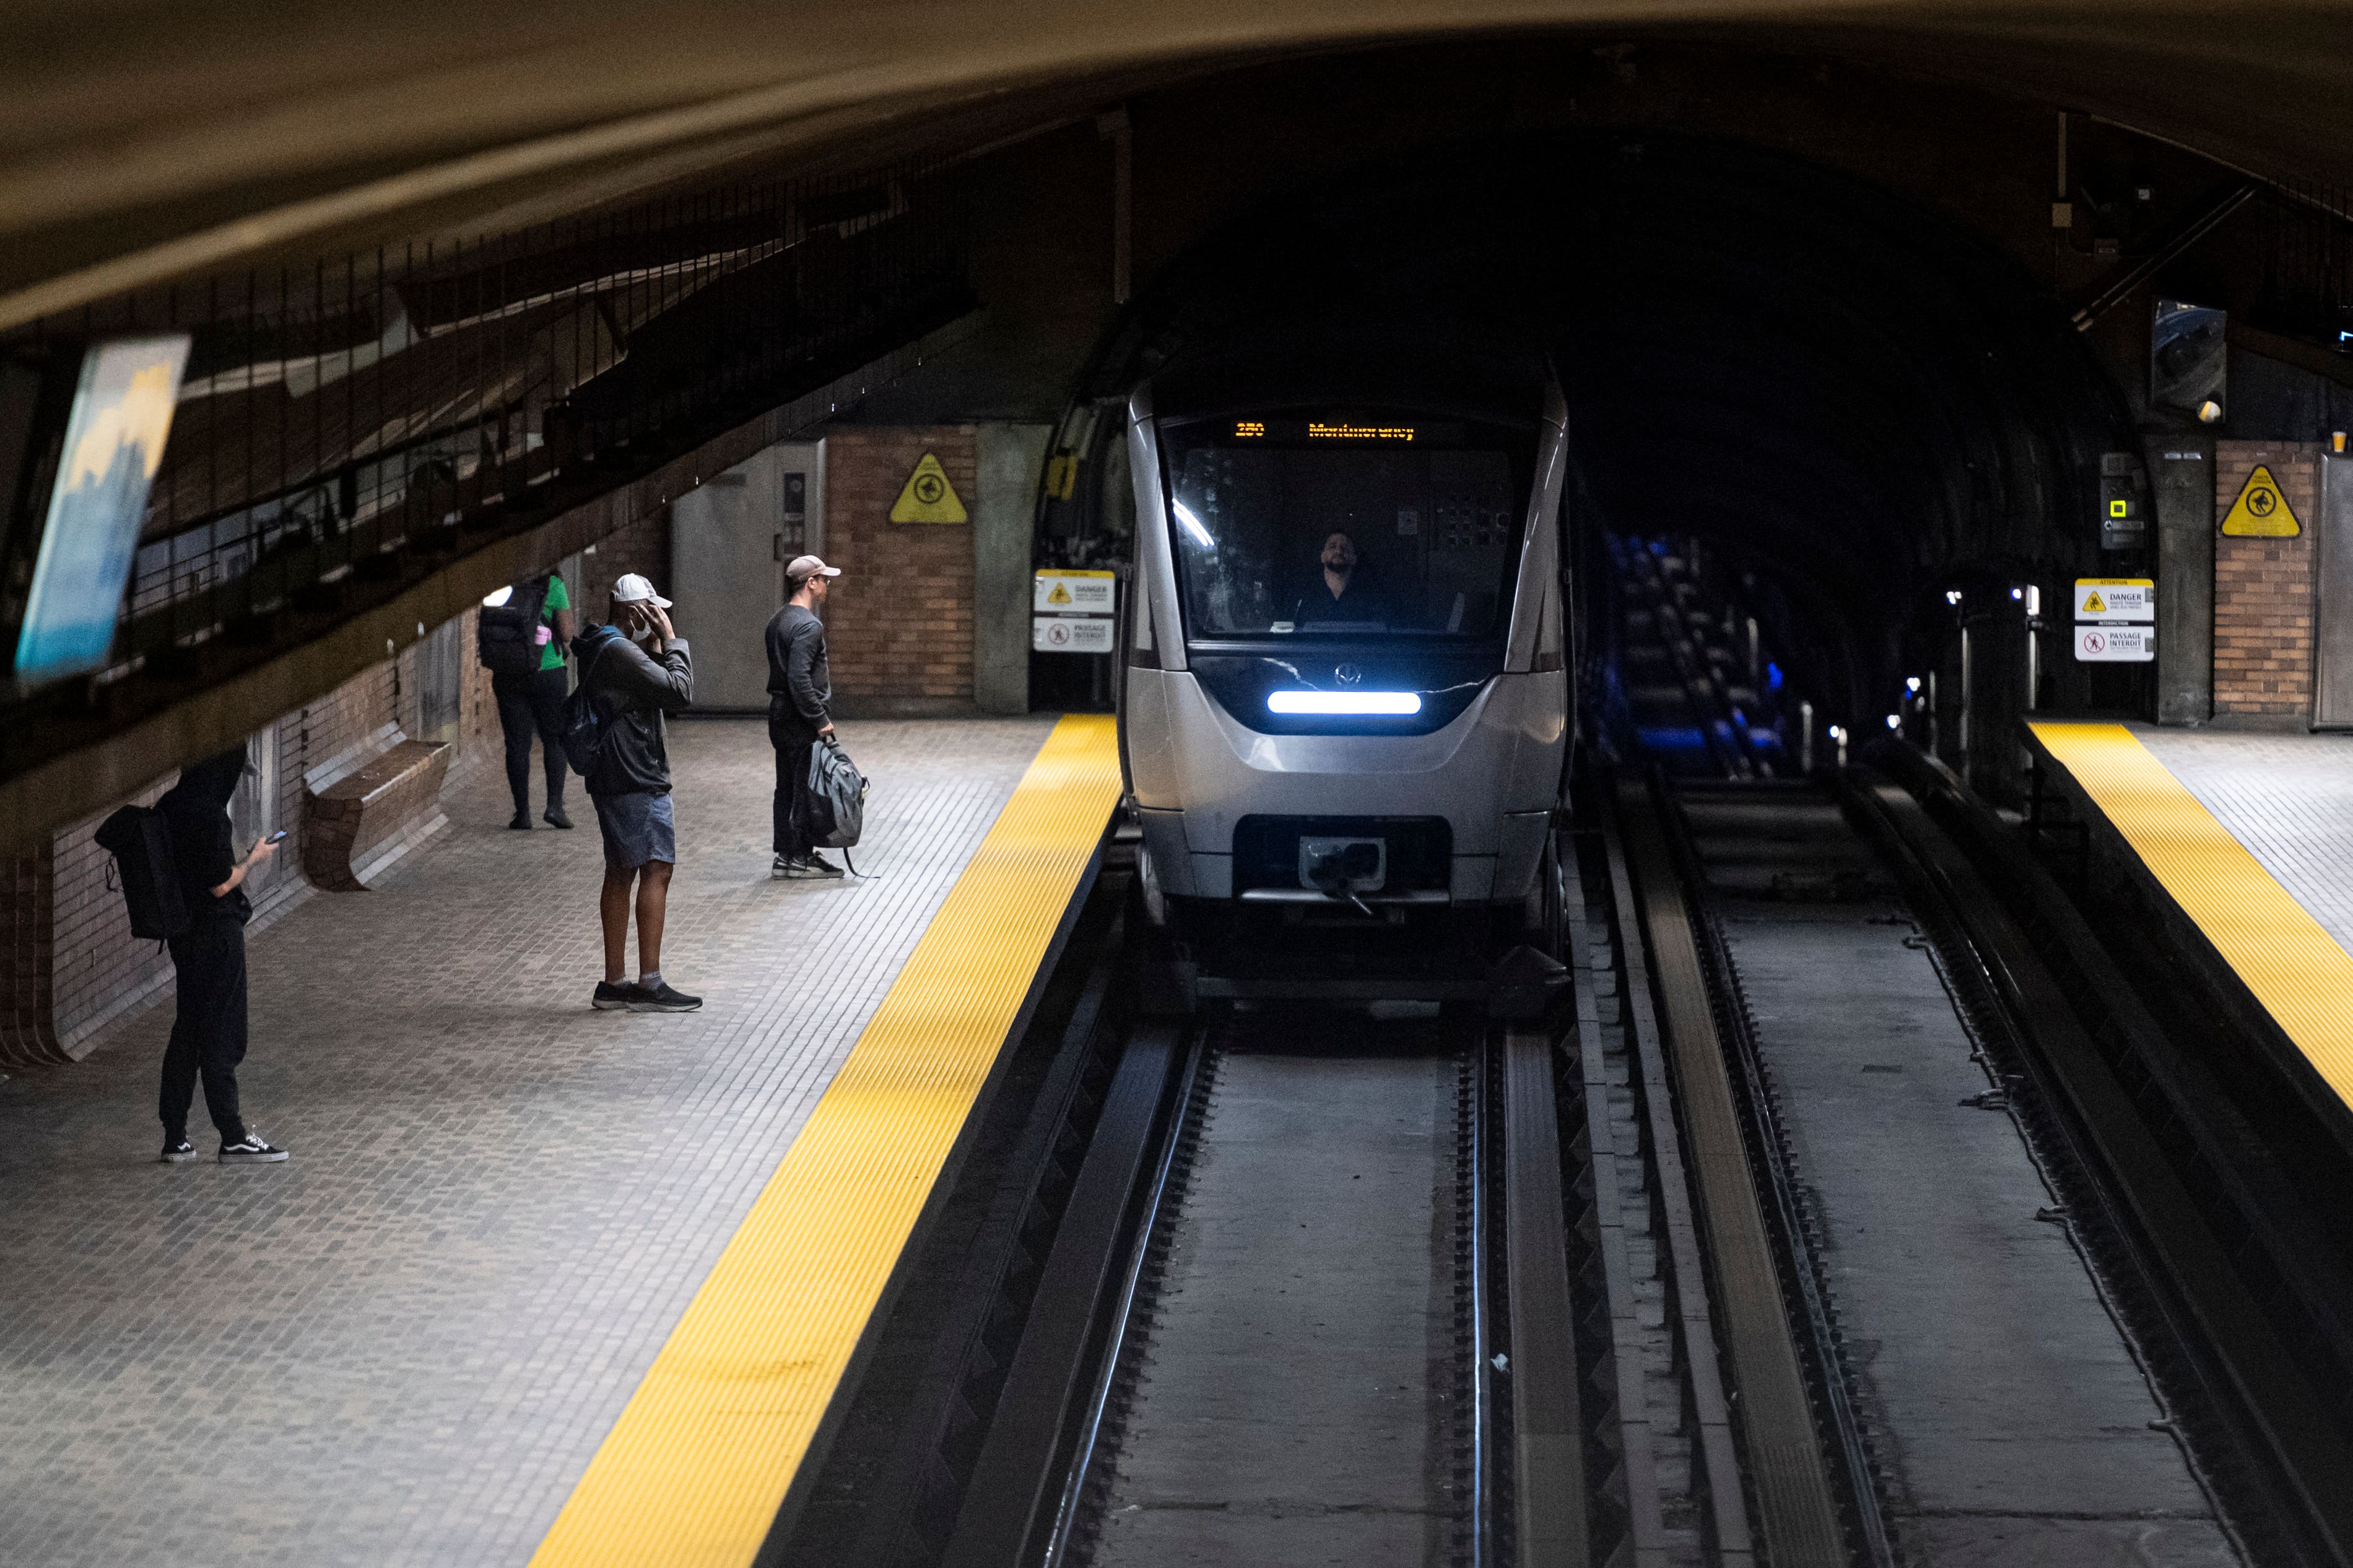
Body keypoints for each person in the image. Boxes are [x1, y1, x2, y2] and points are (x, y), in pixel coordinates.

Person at [574, 573, 701, 1013]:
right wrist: (672, 638)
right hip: (635, 775)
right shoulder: (620, 652)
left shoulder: (602, 645)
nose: (658, 617)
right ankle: (649, 984)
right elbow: (680, 692)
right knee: (657, 868)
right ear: (635, 611)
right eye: (653, 611)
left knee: (621, 870)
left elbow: (642, 686)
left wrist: (652, 648)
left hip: (613, 773)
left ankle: (614, 983)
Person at [155, 747, 289, 1164]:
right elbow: (220, 884)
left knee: (188, 1031)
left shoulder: (169, 805)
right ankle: (232, 1136)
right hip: (216, 935)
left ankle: (175, 1136)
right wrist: (254, 857)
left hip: (183, 935)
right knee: (222, 1033)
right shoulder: (208, 814)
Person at [765, 555, 845, 880]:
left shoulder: (777, 620)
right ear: (811, 583)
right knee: (804, 788)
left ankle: (785, 855)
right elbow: (799, 678)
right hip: (800, 718)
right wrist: (819, 718)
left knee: (786, 786)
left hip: (780, 714)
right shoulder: (809, 626)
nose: (827, 585)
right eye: (824, 580)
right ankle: (801, 857)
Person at [492, 572, 576, 830]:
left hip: (509, 673)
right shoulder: (553, 585)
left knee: (517, 745)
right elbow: (566, 632)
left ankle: (522, 814)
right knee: (555, 739)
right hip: (548, 672)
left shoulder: (501, 582)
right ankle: (555, 807)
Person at [1291, 530, 1388, 625]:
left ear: (1354, 559)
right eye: (1333, 547)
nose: (1339, 551)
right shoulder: (1306, 592)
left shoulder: (1370, 594)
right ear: (1322, 556)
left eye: (1345, 548)